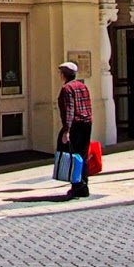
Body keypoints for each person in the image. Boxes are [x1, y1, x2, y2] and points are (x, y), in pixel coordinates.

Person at [55, 61, 93, 200]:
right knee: (82, 156)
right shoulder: (83, 86)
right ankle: (84, 184)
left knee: (73, 156)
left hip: (76, 125)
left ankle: (77, 185)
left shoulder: (67, 89)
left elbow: (69, 110)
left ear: (64, 75)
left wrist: (67, 131)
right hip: (87, 123)